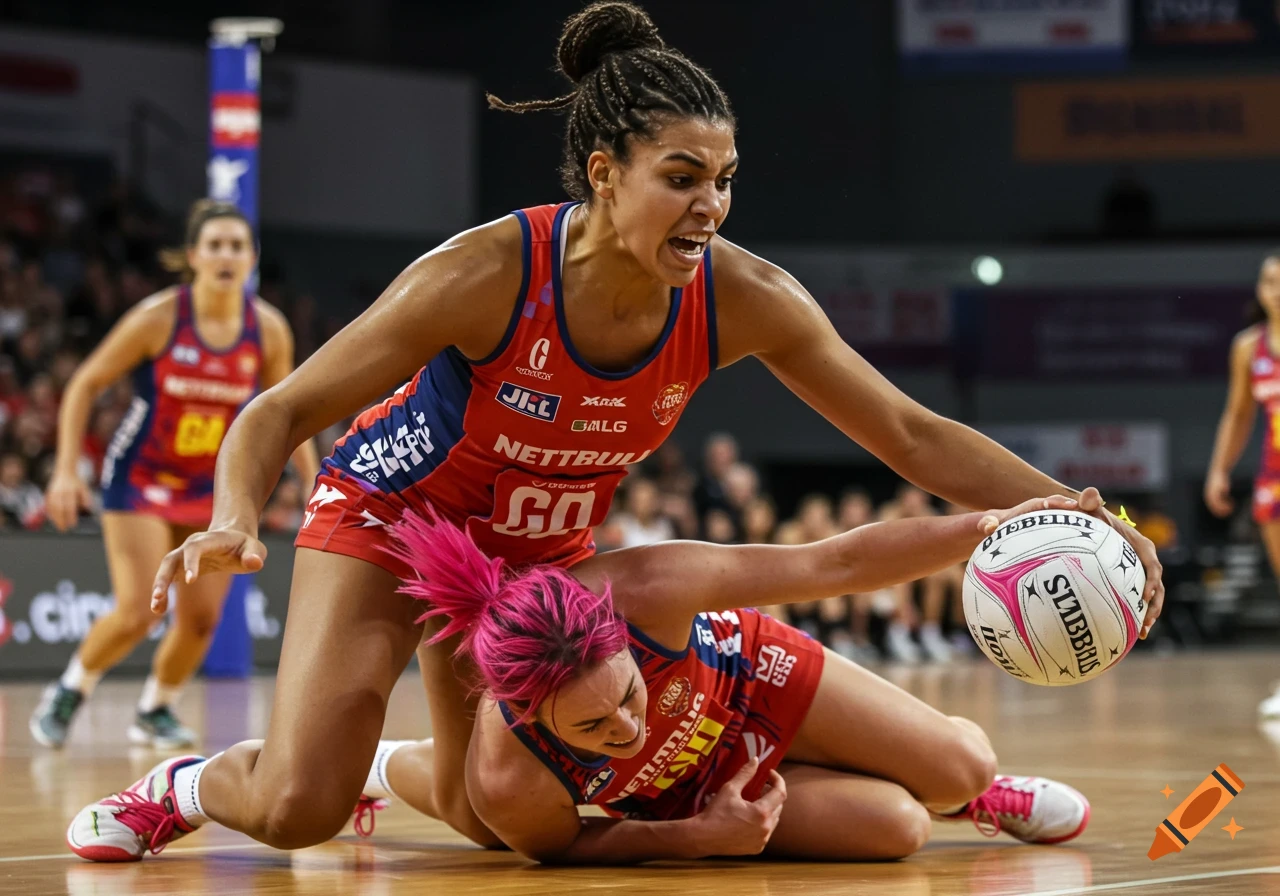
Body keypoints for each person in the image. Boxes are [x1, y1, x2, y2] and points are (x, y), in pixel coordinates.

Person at [82, 1, 1159, 858]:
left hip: (538, 560)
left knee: (490, 818)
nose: (710, 206)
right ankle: (189, 783)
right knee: (294, 808)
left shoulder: (745, 298)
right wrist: (233, 516)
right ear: (603, 174)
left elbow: (911, 436)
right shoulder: (484, 273)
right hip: (396, 520)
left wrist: (1088, 518)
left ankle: (385, 768)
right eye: (680, 179)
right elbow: (278, 410)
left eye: (723, 181)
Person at [69, 496, 1092, 862]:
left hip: (744, 681)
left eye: (624, 694)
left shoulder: (649, 588)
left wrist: (983, 525)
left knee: (961, 764)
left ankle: (973, 795)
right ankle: (202, 783)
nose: (623, 724)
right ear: (522, 713)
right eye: (594, 728)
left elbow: (835, 561)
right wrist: (693, 839)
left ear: (617, 629)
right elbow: (569, 847)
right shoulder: (510, 771)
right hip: (669, 796)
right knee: (899, 827)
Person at [30, 200, 319, 749]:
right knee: (138, 610)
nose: (226, 255)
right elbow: (85, 383)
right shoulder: (159, 317)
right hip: (141, 478)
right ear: (193, 256)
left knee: (201, 621)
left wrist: (312, 479)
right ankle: (69, 690)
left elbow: (288, 411)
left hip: (212, 488)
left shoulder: (268, 330)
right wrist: (66, 469)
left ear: (252, 257)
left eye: (237, 246)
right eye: (215, 245)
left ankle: (155, 709)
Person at [1206, 249, 1280, 719]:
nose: (1278, 290)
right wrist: (1219, 470)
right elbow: (1237, 415)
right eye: (1271, 281)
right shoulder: (1249, 347)